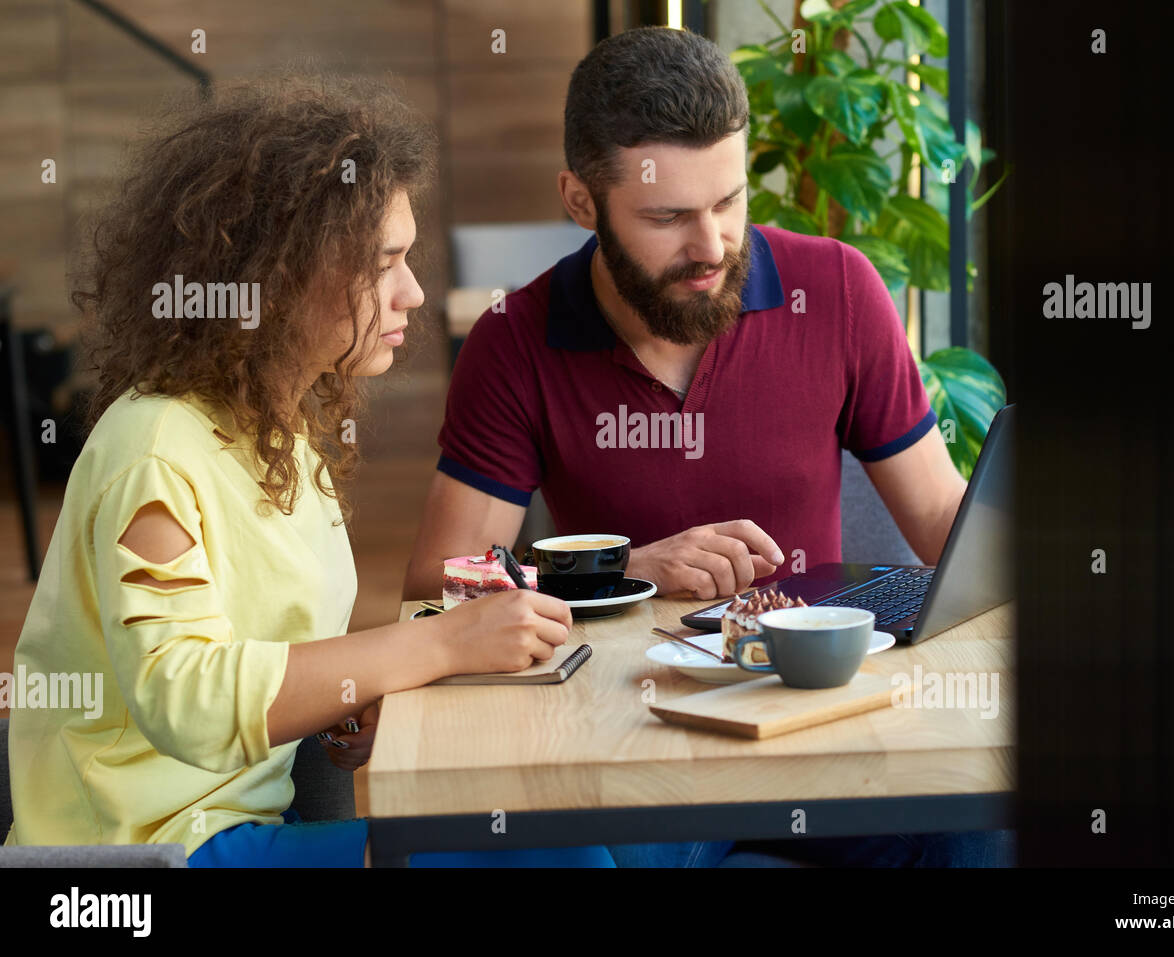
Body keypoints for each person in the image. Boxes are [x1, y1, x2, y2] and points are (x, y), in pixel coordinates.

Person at [403, 27, 1012, 867]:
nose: (712, 246)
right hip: (638, 735)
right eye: (668, 217)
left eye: (728, 201)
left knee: (991, 816)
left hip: (821, 720)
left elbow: (944, 515)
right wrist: (630, 569)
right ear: (581, 202)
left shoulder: (837, 289)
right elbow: (437, 583)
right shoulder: (514, 341)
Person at [3, 72, 612, 868]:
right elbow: (185, 697)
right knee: (547, 857)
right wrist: (437, 646)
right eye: (383, 261)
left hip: (245, 828)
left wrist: (347, 701)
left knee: (561, 841)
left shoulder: (278, 433)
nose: (413, 291)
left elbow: (273, 650)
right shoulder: (153, 445)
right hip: (149, 858)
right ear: (279, 278)